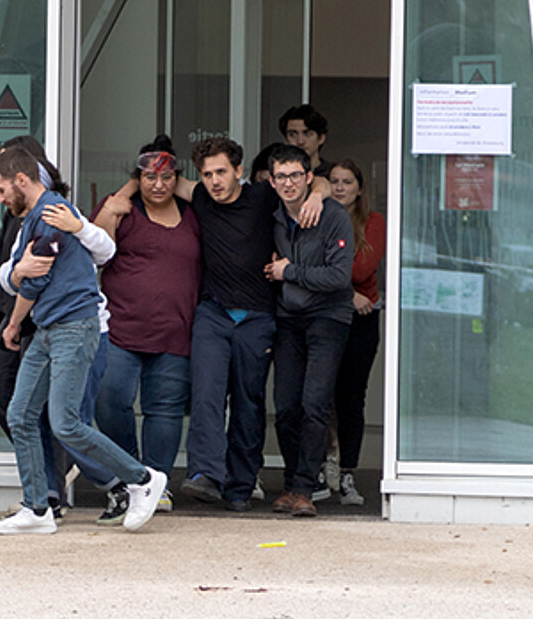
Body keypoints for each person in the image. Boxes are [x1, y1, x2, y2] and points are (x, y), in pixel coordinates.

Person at [0, 146, 167, 535]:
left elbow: (35, 278)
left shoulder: (51, 214)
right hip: (50, 328)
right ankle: (37, 509)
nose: (0, 199)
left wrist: (14, 320)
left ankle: (143, 480)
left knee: (66, 423)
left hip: (73, 327)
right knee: (21, 414)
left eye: (1, 190)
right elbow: (13, 272)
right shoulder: (34, 217)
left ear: (21, 180)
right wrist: (17, 281)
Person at [171, 136, 323, 511]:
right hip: (213, 312)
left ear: (239, 171)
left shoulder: (262, 197)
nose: (214, 181)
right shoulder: (203, 198)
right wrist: (123, 193)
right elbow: (162, 178)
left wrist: (318, 194)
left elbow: (310, 181)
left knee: (248, 402)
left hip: (257, 316)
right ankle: (205, 474)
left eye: (222, 172)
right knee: (206, 393)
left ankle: (239, 486)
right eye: (207, 174)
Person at [90, 136, 200, 522]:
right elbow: (95, 248)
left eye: (167, 177)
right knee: (110, 399)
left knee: (165, 411)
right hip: (121, 327)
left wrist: (169, 181)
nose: (158, 184)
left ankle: (160, 483)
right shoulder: (122, 209)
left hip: (175, 330)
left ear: (177, 178)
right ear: (137, 179)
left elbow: (209, 191)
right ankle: (130, 478)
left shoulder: (194, 212)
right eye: (149, 178)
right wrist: (121, 197)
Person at [265, 145, 356, 516]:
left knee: (314, 404)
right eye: (281, 176)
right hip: (288, 319)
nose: (288, 183)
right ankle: (291, 484)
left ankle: (305, 488)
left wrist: (289, 272)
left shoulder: (333, 216)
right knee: (285, 406)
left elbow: (338, 276)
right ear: (271, 181)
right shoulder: (270, 217)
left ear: (308, 178)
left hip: (328, 318)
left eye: (295, 176)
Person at [325, 157, 385, 508]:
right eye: (334, 181)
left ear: (359, 188)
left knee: (350, 398)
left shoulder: (373, 221)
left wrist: (333, 278)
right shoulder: (316, 218)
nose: (340, 188)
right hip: (327, 313)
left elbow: (363, 266)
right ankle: (319, 468)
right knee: (317, 397)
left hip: (362, 320)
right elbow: (311, 266)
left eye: (348, 182)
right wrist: (347, 293)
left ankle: (348, 472)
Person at [279, 103, 329, 172]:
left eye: (307, 134)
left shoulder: (334, 175)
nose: (300, 141)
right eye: (293, 135)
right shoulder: (278, 174)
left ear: (321, 138)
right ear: (285, 140)